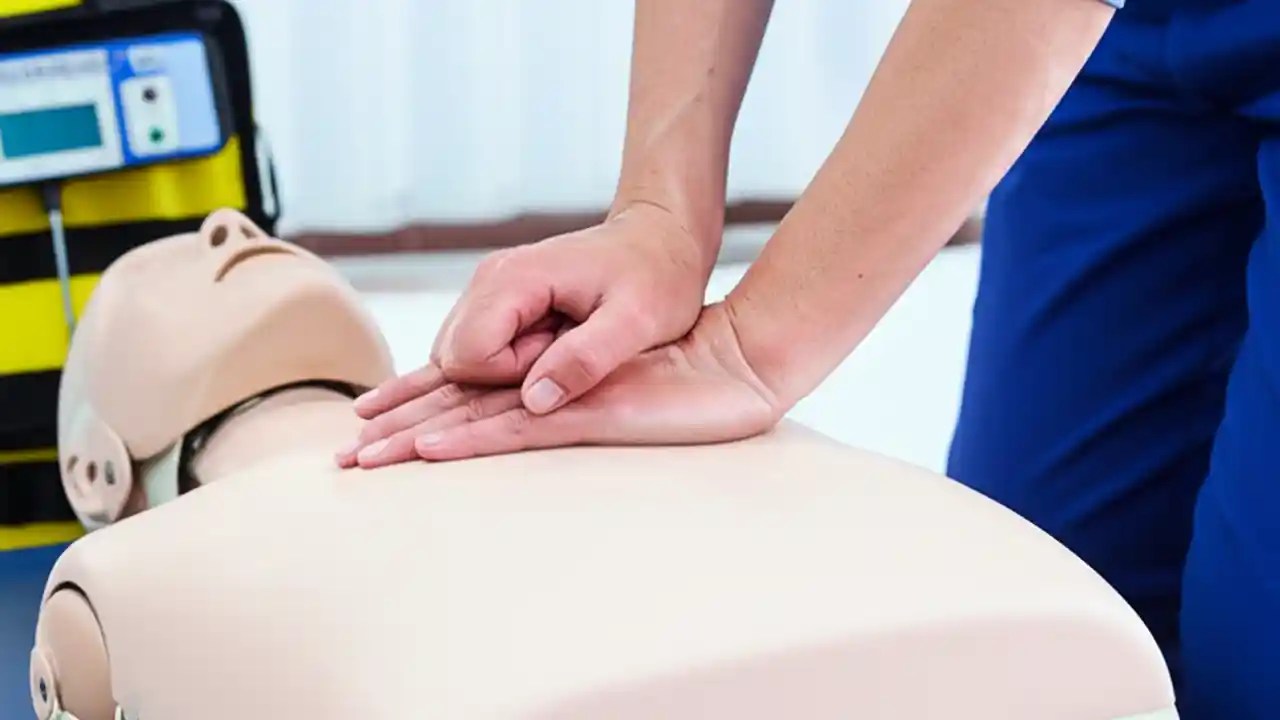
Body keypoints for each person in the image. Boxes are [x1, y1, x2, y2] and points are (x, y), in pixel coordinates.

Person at [339, 0, 1280, 716]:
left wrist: (753, 347)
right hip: (1136, 35)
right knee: (1050, 637)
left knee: (1254, 660)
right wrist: (659, 215)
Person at [36, 210, 1176, 719]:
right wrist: (660, 216)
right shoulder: (144, 575)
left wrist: (742, 330)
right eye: (186, 260)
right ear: (98, 477)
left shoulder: (619, 404)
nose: (230, 225)